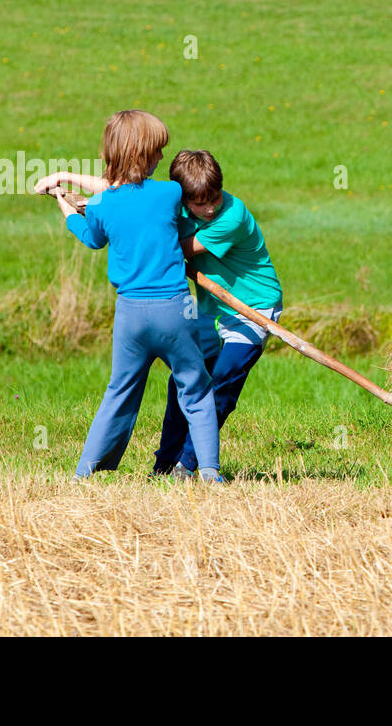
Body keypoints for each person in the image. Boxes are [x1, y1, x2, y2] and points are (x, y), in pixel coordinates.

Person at [33, 112, 223, 482]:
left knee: (119, 391)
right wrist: (71, 182)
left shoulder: (103, 206)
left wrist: (63, 198)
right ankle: (210, 473)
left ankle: (84, 473)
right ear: (148, 157)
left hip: (130, 315)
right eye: (158, 152)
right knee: (195, 388)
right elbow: (120, 188)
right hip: (174, 309)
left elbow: (92, 235)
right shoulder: (169, 194)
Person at [153, 149, 283, 479]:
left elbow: (176, 249)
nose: (210, 207)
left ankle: (188, 464)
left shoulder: (232, 216)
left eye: (214, 197)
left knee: (222, 383)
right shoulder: (179, 208)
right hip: (211, 309)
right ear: (183, 198)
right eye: (200, 203)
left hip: (253, 310)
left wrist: (140, 234)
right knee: (184, 380)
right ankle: (164, 463)